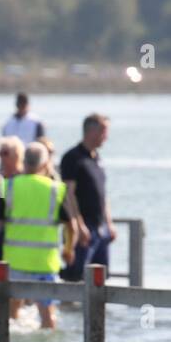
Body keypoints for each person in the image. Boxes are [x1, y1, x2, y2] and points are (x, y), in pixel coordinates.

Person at [0, 142, 82, 329]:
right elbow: (72, 226)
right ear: (45, 163)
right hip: (45, 263)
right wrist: (69, 248)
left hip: (15, 262)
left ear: (22, 160)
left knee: (11, 317)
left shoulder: (6, 186)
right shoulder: (57, 188)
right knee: (47, 317)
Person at [60, 113, 112, 282]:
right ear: (91, 131)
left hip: (100, 226)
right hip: (83, 226)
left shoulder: (97, 158)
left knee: (100, 278)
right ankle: (71, 309)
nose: (106, 136)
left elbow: (103, 193)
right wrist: (79, 225)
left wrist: (109, 223)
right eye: (103, 131)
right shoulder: (72, 158)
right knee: (76, 276)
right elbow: (68, 194)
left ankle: (98, 309)